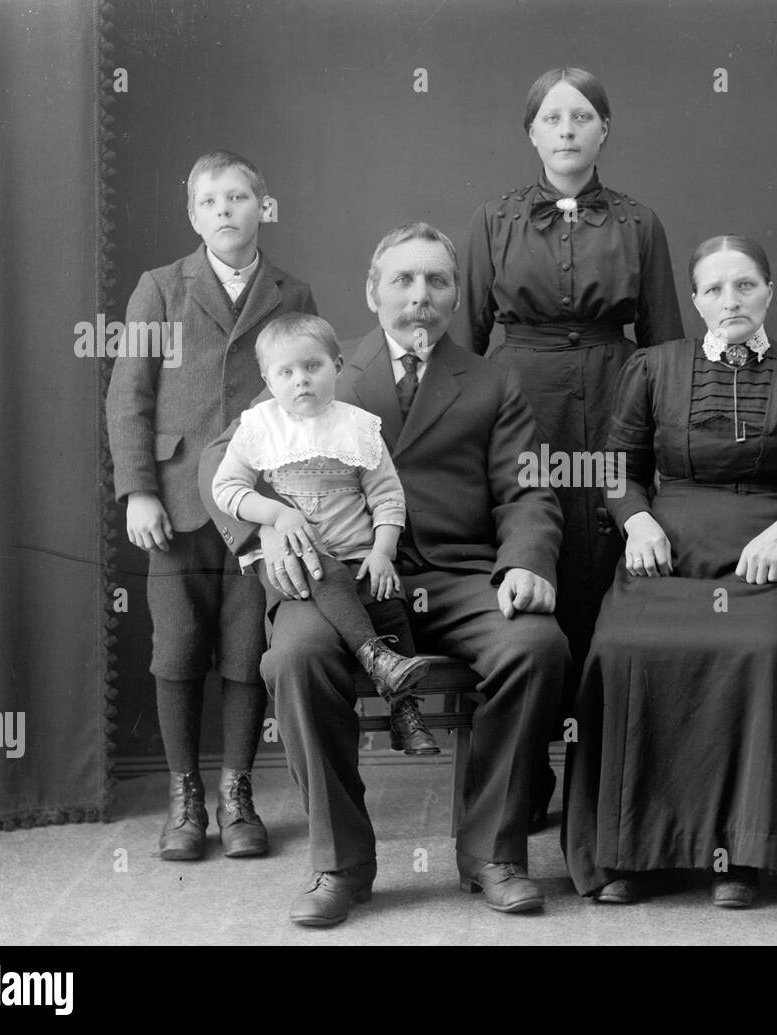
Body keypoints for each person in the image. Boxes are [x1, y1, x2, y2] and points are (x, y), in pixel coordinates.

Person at [199, 223, 570, 926]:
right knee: (298, 656)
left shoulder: (494, 380)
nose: (419, 296)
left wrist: (525, 559)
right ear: (373, 292)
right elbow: (220, 462)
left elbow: (528, 489)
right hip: (336, 575)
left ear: (456, 295)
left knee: (537, 645)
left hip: (461, 573)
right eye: (402, 279)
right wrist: (265, 525)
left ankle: (494, 852)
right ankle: (340, 862)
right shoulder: (317, 363)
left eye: (435, 280)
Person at [563, 236, 777, 908]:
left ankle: (745, 853)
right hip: (665, 555)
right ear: (694, 299)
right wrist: (636, 518)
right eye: (713, 289)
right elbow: (614, 471)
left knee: (762, 650)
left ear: (769, 290)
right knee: (625, 648)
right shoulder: (653, 367)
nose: (729, 300)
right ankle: (632, 852)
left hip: (769, 563)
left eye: (744, 285)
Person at [455, 67, 685, 825]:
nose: (566, 130)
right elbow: (464, 339)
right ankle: (521, 779)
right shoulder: (493, 220)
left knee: (601, 568)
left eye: (582, 117)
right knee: (527, 564)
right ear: (532, 132)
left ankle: (603, 778)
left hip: (615, 399)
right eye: (552, 118)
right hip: (517, 401)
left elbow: (664, 342)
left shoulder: (639, 222)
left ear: (603, 130)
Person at [106, 150, 317, 861]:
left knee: (245, 646)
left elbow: (306, 405)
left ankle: (236, 793)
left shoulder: (292, 291)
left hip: (254, 503)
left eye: (238, 198)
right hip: (173, 504)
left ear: (263, 206)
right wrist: (137, 489)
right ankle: (184, 795)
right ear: (192, 215)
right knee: (176, 648)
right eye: (210, 202)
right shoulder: (160, 289)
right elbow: (128, 394)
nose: (225, 211)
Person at [211, 312, 437, 755]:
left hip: (357, 552)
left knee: (390, 601)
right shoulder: (260, 426)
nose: (301, 381)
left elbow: (388, 496)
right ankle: (374, 655)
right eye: (286, 372)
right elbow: (226, 488)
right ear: (268, 379)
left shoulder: (358, 426)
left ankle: (405, 712)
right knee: (324, 570)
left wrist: (383, 550)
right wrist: (276, 515)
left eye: (312, 366)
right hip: (295, 558)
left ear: (336, 365)